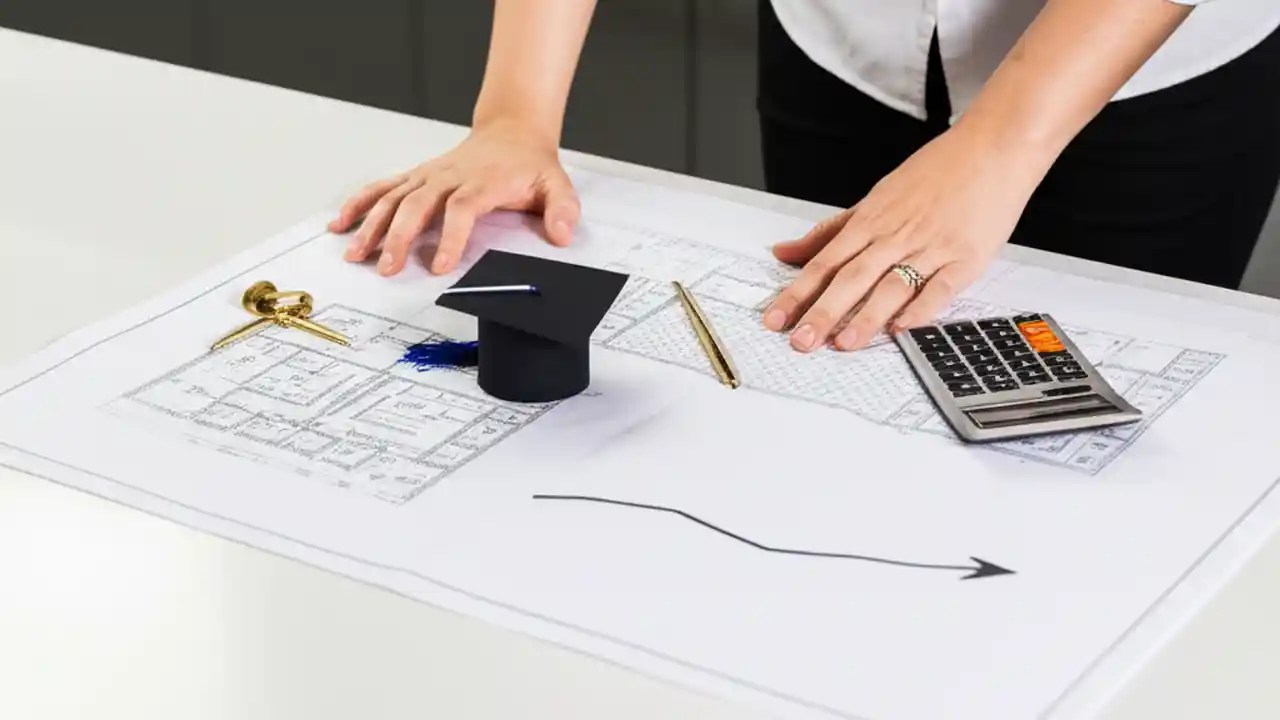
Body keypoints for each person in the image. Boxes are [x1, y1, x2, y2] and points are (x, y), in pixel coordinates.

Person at [328, 0, 1280, 354]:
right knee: (824, 354)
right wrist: (514, 117)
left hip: (1147, 70)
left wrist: (1000, 145)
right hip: (846, 41)